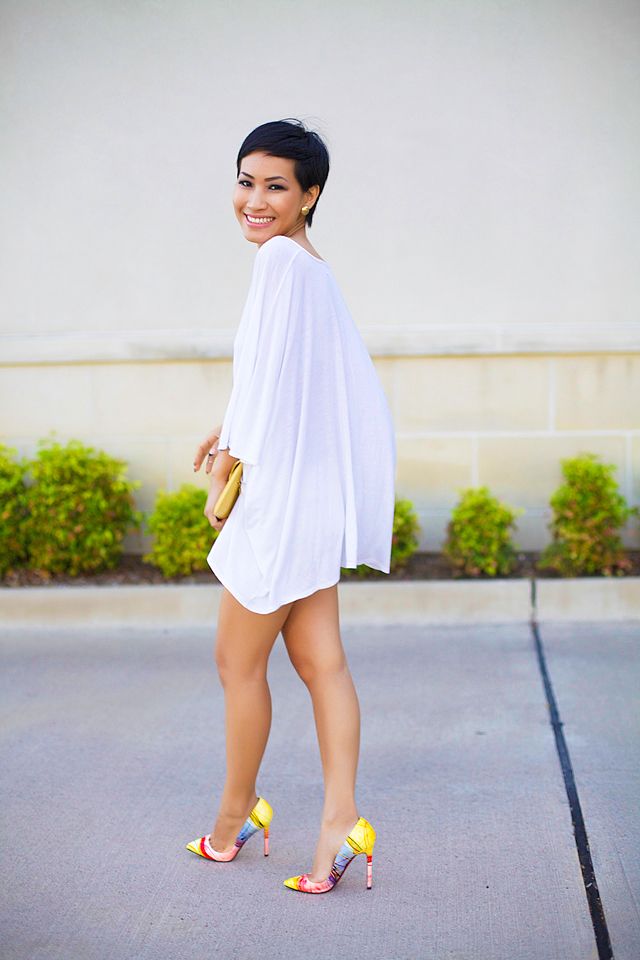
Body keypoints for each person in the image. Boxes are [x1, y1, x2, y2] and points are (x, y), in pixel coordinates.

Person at [189, 118, 396, 894]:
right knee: (322, 662)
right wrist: (230, 421)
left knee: (237, 665)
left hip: (279, 506)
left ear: (311, 195)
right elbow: (292, 379)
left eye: (276, 186)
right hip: (314, 502)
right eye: (246, 180)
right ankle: (342, 822)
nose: (255, 199)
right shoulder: (312, 269)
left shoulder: (279, 262)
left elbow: (275, 388)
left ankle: (232, 821)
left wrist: (227, 471)